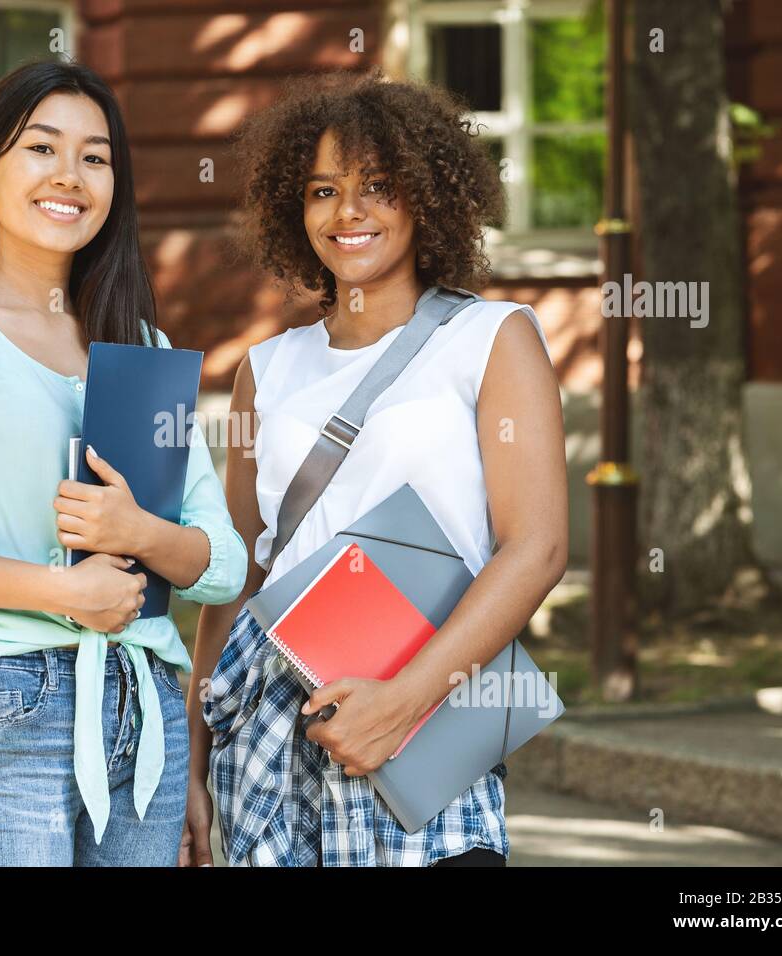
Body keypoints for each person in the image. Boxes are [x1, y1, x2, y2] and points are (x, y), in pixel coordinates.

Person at [0, 60, 247, 866]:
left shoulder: (139, 349)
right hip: (6, 697)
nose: (71, 175)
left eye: (95, 157)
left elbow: (224, 563)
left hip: (148, 708)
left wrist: (138, 531)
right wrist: (67, 592)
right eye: (41, 148)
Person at [181, 72, 569, 867]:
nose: (347, 212)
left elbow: (536, 549)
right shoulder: (268, 367)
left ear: (426, 196)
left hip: (429, 726)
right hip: (269, 741)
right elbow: (239, 577)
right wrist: (189, 763)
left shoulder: (493, 337)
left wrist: (401, 703)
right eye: (323, 190)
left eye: (376, 186)